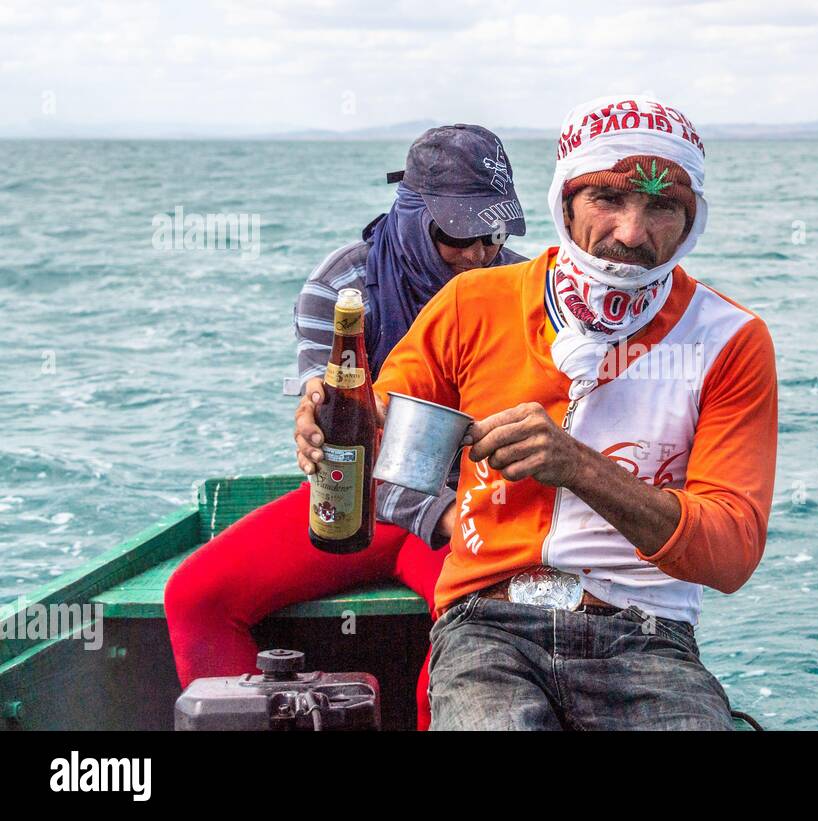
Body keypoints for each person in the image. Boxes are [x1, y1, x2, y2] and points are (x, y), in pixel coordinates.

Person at [295, 95, 779, 730]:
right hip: (488, 623)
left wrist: (580, 467)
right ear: (565, 202)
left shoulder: (731, 339)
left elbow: (728, 555)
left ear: (692, 219)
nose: (633, 233)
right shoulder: (473, 302)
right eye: (608, 199)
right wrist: (327, 417)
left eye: (663, 205)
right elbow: (387, 423)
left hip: (646, 634)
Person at [164, 125, 528, 730]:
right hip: (357, 503)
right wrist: (311, 420)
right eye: (454, 235)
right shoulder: (341, 286)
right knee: (195, 597)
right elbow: (319, 396)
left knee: (470, 633)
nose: (477, 254)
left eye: (492, 233)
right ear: (410, 214)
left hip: (462, 511)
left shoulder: (521, 289)